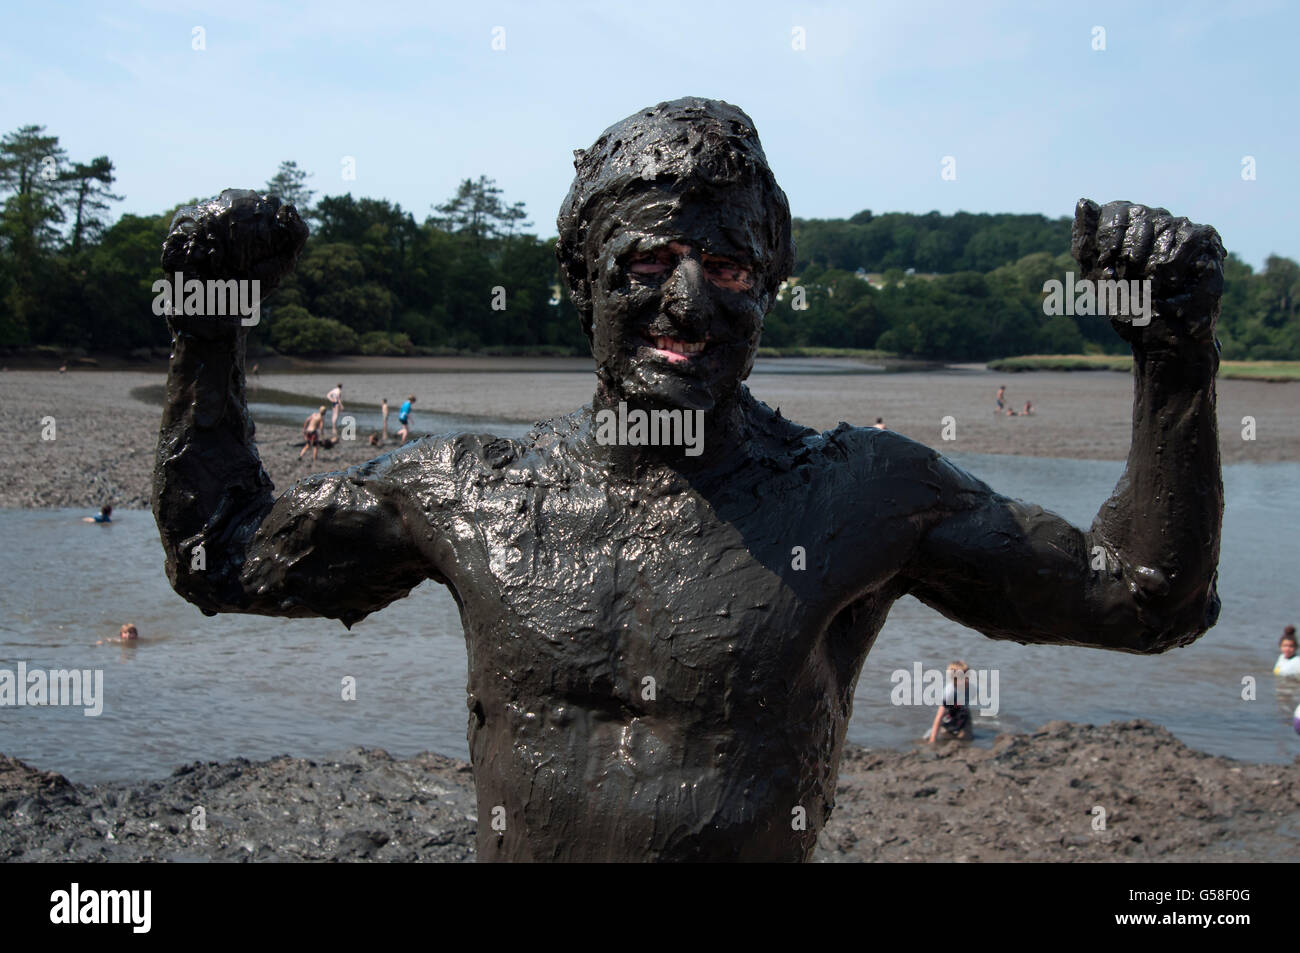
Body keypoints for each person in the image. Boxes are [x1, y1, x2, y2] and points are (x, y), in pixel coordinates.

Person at [153, 99, 1226, 862]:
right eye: (643, 264)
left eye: (726, 269)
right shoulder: (469, 491)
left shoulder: (857, 493)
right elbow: (223, 556)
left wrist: (1173, 352)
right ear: (580, 279)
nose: (687, 302)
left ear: (768, 287)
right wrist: (204, 329)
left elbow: (1140, 596)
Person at [926, 661, 974, 743]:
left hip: (964, 713)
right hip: (948, 715)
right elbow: (939, 716)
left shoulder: (971, 688)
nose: (967, 679)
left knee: (967, 739)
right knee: (945, 736)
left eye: (968, 676)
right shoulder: (948, 693)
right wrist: (932, 739)